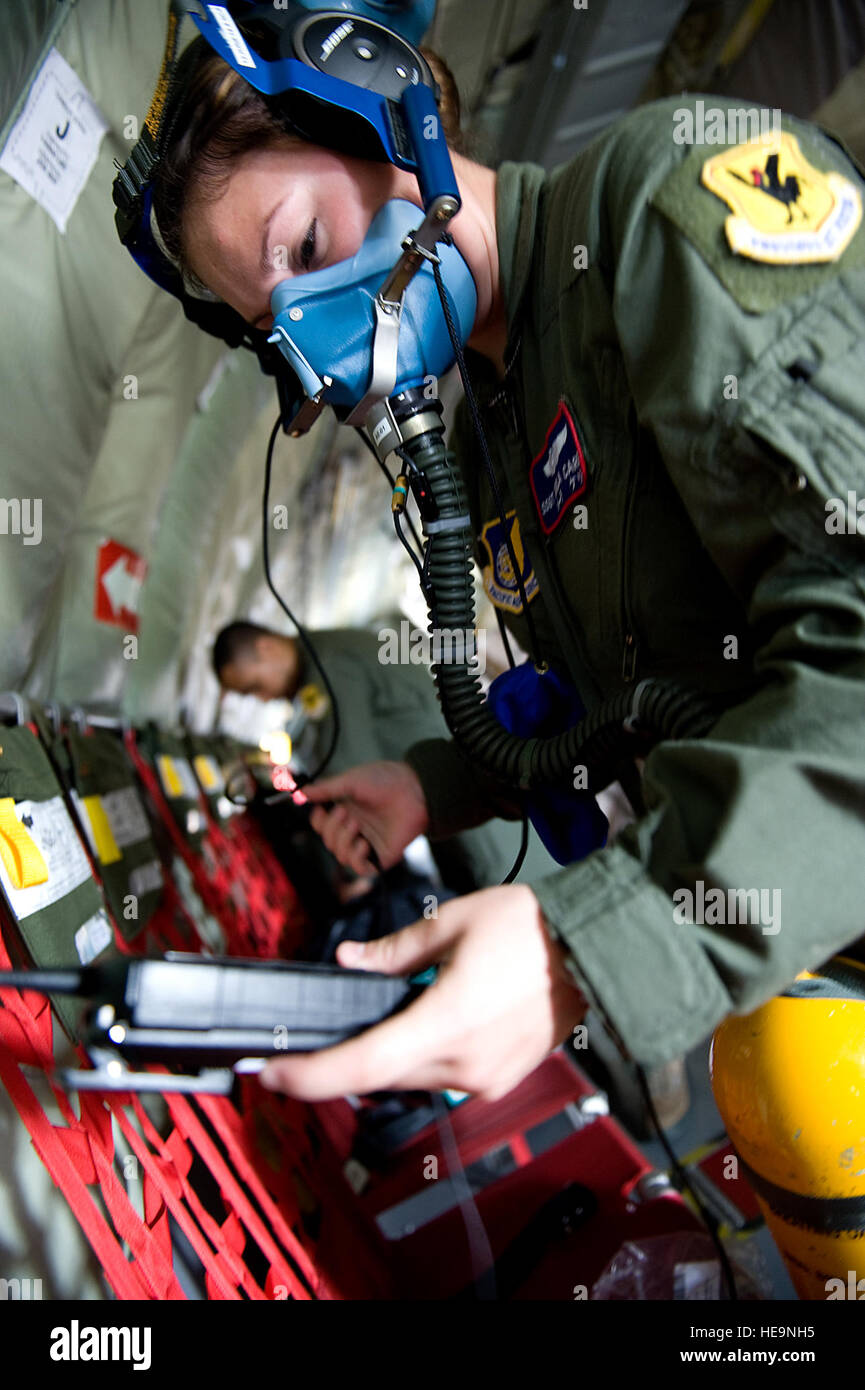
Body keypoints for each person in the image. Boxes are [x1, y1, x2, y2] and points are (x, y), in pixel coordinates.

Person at [149, 34, 865, 1105]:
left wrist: (586, 952)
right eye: (275, 329)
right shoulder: (490, 432)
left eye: (305, 246)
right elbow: (613, 702)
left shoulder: (655, 210)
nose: (317, 340)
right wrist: (429, 785)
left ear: (393, 121)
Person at [212, 618, 543, 894]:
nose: (264, 698)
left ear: (265, 647)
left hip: (484, 828)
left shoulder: (330, 669)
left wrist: (353, 877)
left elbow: (350, 771)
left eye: (255, 687)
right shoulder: (331, 649)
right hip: (466, 803)